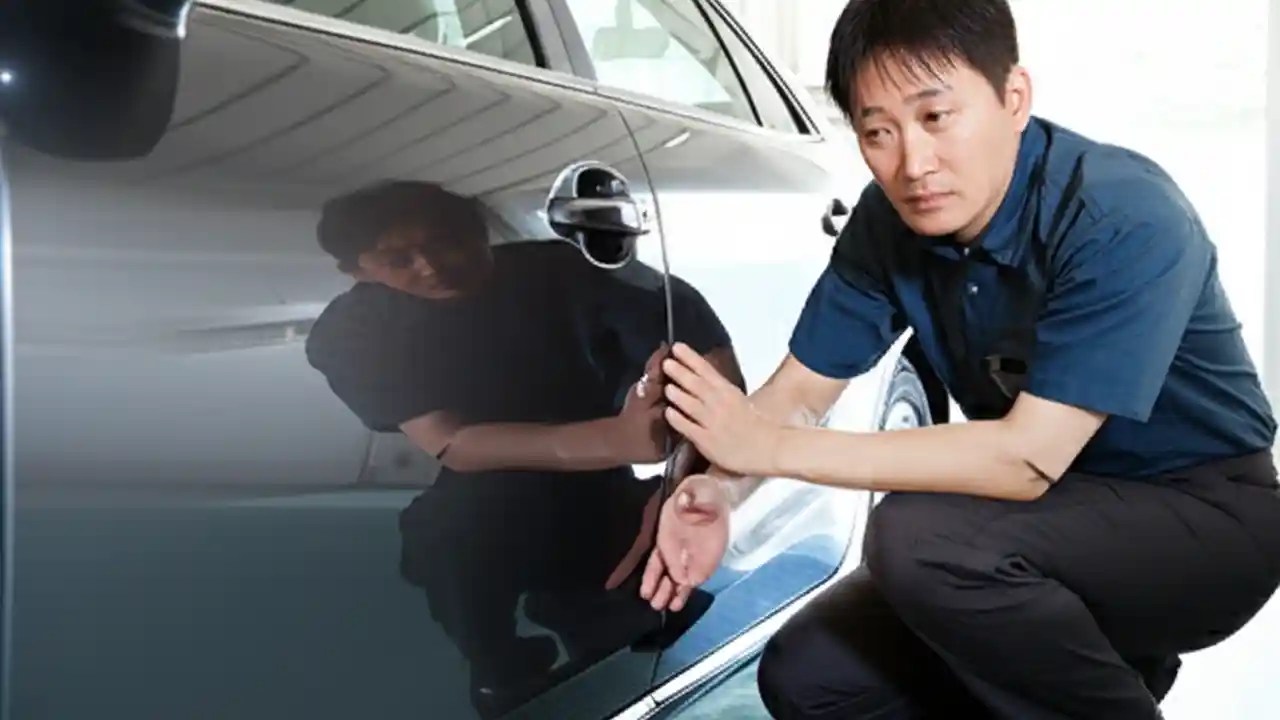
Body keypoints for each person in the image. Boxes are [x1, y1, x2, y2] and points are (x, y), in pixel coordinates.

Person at [640, 1, 1280, 718]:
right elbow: (799, 392)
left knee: (919, 537)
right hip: (1037, 528)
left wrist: (774, 448)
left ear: (1013, 98)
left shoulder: (1119, 212)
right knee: (813, 674)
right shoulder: (889, 223)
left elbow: (1025, 459)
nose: (913, 163)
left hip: (1205, 519)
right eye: (878, 131)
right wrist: (722, 491)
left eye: (936, 118)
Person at [303, 180, 735, 717]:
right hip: (486, 492)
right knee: (446, 547)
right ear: (360, 273)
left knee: (654, 615)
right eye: (398, 260)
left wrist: (685, 481)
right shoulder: (354, 331)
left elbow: (704, 352)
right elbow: (452, 442)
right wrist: (614, 439)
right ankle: (502, 668)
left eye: (445, 241)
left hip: (600, 492)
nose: (431, 266)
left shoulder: (567, 273)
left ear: (477, 226)